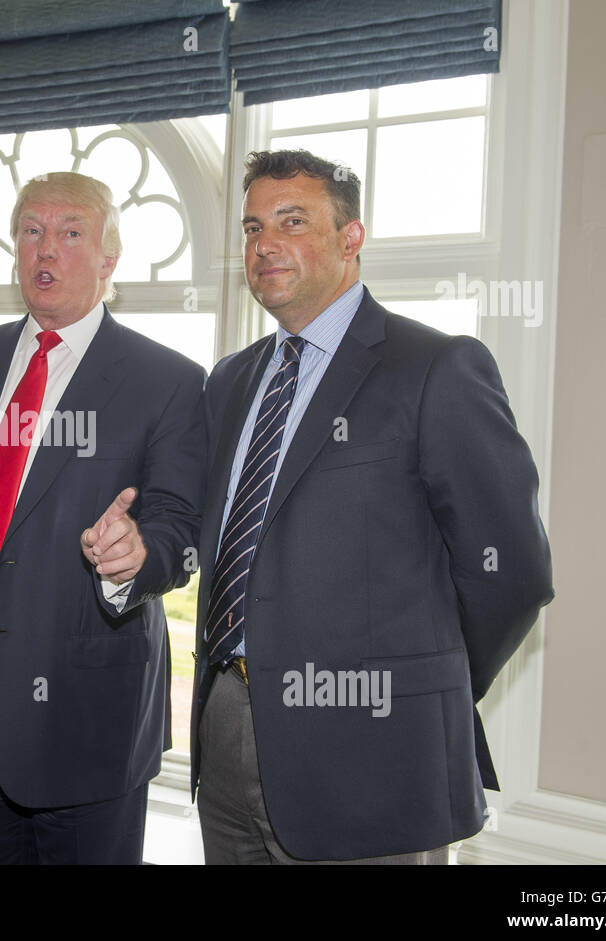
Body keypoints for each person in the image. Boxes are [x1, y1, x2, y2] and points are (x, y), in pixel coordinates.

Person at [192, 149, 553, 864]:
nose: (264, 244)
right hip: (226, 728)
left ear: (350, 238)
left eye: (292, 222)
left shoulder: (436, 368)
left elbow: (511, 572)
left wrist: (419, 677)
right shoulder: (230, 381)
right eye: (253, 226)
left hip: (373, 747)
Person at [0, 171, 206, 864]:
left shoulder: (167, 380)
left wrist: (137, 554)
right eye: (31, 231)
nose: (45, 248)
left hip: (88, 705)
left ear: (110, 259)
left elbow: (180, 525)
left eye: (71, 232)